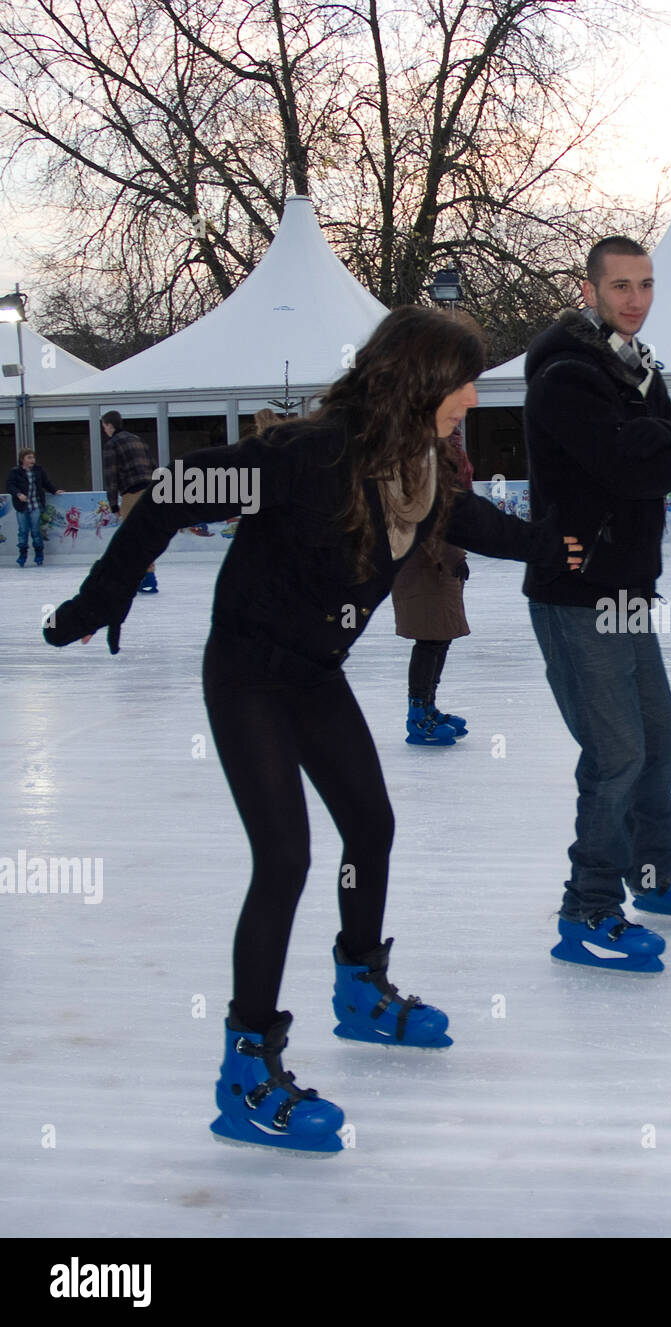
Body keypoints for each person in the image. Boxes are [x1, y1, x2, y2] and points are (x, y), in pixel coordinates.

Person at [45, 308, 581, 1154]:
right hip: (249, 672)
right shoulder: (306, 455)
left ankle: (361, 988)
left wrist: (559, 547)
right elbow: (177, 491)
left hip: (313, 674)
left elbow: (466, 523)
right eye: (463, 380)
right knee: (285, 857)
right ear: (419, 382)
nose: (474, 397)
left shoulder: (416, 470)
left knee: (370, 823)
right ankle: (247, 1067)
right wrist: (102, 597)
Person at [523, 235, 671, 973]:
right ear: (586, 290)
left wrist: (667, 448)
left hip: (627, 588)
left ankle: (651, 876)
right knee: (617, 752)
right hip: (575, 591)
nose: (635, 299)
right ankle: (587, 907)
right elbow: (638, 467)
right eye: (619, 285)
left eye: (646, 284)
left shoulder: (636, 370)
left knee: (659, 746)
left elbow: (666, 457)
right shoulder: (566, 375)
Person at [392, 422, 475, 746]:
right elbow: (426, 520)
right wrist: (453, 556)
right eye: (451, 434)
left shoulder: (443, 467)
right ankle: (418, 715)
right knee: (429, 640)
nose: (458, 438)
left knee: (440, 639)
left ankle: (428, 706)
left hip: (438, 567)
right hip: (423, 566)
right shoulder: (423, 467)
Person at [101, 411, 160, 593]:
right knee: (145, 536)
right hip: (150, 491)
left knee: (132, 538)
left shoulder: (112, 445)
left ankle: (140, 577)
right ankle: (149, 576)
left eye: (104, 426)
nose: (104, 430)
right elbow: (154, 466)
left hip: (132, 494)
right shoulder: (138, 439)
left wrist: (113, 504)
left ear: (110, 425)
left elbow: (111, 476)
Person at [6, 448, 63, 566]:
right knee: (23, 531)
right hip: (22, 507)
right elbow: (10, 486)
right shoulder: (15, 472)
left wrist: (54, 490)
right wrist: (18, 494)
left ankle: (39, 554)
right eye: (29, 457)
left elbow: (46, 482)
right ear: (22, 459)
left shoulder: (38, 470)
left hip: (35, 505)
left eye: (33, 457)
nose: (32, 460)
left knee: (36, 530)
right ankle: (22, 554)